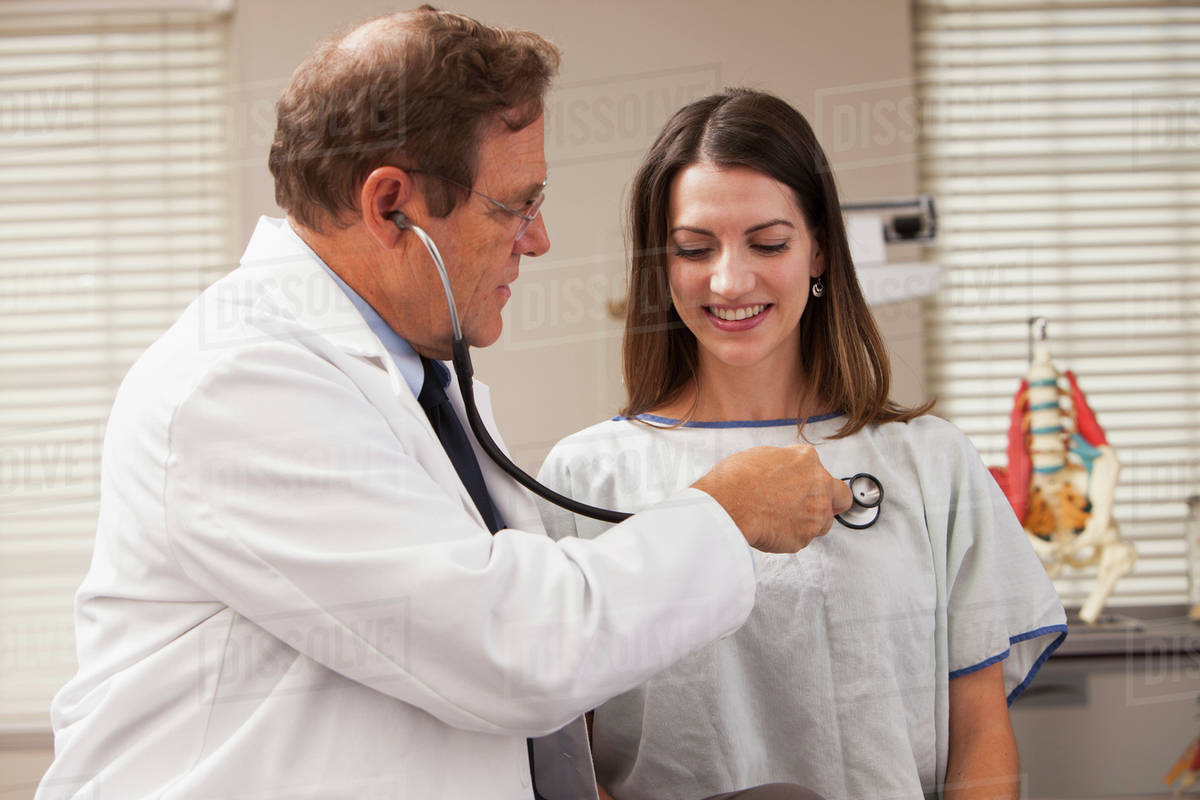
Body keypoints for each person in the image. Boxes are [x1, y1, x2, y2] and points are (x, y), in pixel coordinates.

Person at [34, 11, 853, 800]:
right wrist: (726, 510)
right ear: (391, 206)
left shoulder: (408, 379)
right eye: (515, 205)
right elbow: (517, 647)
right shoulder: (237, 385)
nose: (537, 240)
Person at [537, 89, 1069, 800]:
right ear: (662, 266)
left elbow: (980, 734)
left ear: (819, 248)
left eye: (769, 243)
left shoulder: (930, 464)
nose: (730, 280)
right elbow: (571, 756)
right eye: (695, 248)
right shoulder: (584, 478)